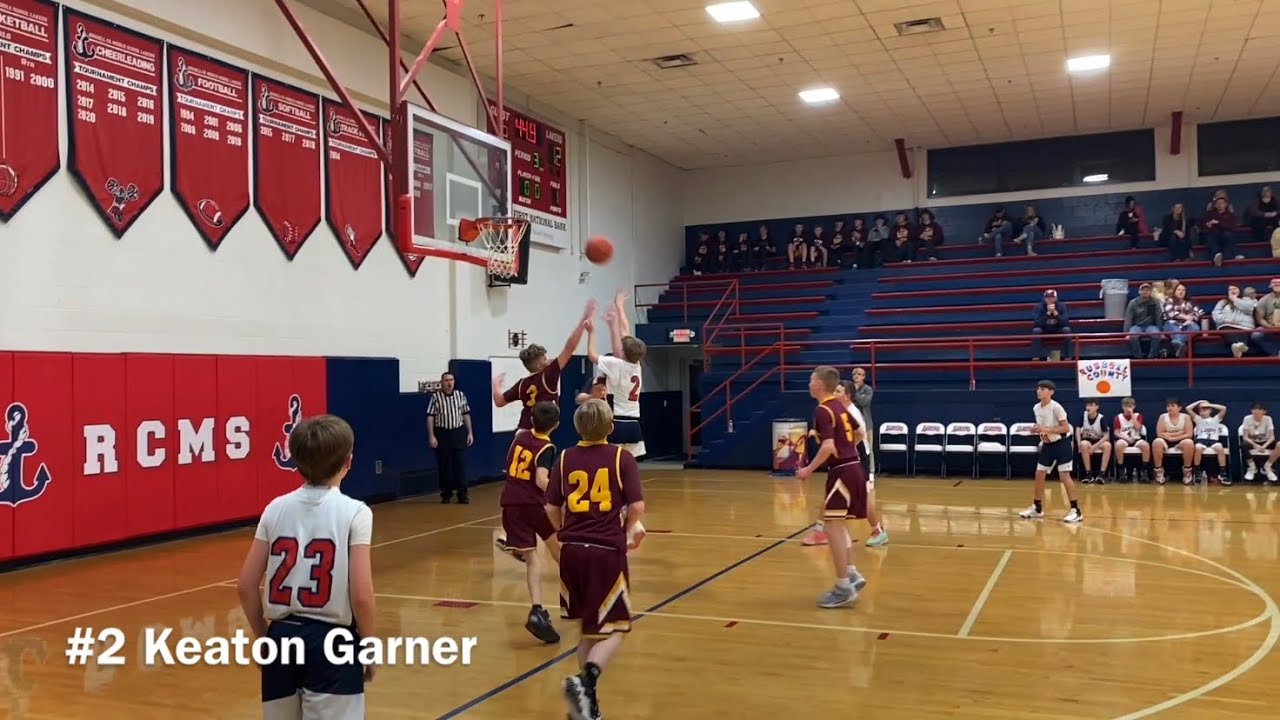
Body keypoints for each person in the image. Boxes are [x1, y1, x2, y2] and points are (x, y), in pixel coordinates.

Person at [236, 415, 375, 720]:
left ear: (296, 462)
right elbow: (362, 595)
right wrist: (369, 648)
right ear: (348, 462)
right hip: (332, 642)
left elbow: (246, 585)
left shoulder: (275, 508)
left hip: (281, 638)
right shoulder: (356, 513)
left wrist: (264, 639)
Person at [545, 399, 646, 720]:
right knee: (619, 626)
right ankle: (586, 680)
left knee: (588, 630)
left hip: (571, 551)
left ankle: (585, 708)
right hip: (605, 552)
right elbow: (638, 507)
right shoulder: (622, 457)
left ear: (576, 427)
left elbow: (550, 509)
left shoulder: (563, 459)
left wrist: (566, 528)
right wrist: (628, 530)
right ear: (611, 428)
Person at [795, 366, 870, 608]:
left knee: (832, 527)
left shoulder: (823, 409)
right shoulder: (840, 405)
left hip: (843, 472)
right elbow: (859, 433)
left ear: (819, 384)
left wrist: (808, 469)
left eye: (810, 380)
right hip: (854, 467)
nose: (808, 384)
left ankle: (842, 587)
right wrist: (847, 449)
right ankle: (850, 573)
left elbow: (827, 447)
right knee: (837, 524)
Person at [494, 402, 564, 643]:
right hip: (534, 505)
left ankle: (537, 609)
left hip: (511, 505)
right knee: (558, 551)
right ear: (556, 425)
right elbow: (541, 479)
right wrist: (560, 494)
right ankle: (573, 599)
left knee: (533, 559)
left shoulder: (519, 437)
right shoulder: (547, 447)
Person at [802, 378, 887, 548]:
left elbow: (861, 433)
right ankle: (820, 531)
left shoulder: (851, 411)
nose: (834, 394)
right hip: (846, 458)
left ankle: (877, 530)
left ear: (847, 396)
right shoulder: (837, 409)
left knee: (863, 498)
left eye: (838, 391)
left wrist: (848, 449)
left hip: (858, 456)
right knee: (830, 494)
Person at [493, 299, 596, 431]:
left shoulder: (522, 384)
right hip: (535, 433)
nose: (548, 361)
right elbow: (569, 347)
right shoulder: (548, 376)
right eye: (544, 359)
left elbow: (499, 401)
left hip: (521, 431)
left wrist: (495, 384)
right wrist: (584, 319)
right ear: (539, 366)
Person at [1017, 380, 1083, 522]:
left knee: (1064, 476)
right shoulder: (1036, 408)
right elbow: (1042, 425)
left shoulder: (1056, 407)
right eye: (1038, 388)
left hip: (1062, 443)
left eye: (1043, 389)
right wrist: (1036, 428)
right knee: (1039, 474)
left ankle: (1076, 510)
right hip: (1048, 444)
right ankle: (1037, 507)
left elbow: (1066, 428)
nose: (1039, 391)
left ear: (1051, 392)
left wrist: (1047, 429)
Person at [427, 371, 474, 504]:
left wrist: (470, 432)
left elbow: (466, 414)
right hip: (442, 433)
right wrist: (432, 436)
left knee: (460, 465)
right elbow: (430, 417)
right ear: (442, 383)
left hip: (458, 432)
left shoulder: (460, 395)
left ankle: (462, 494)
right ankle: (446, 494)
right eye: (446, 380)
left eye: (451, 380)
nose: (449, 383)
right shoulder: (436, 397)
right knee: (444, 466)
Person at [1151, 397, 1195, 484]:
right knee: (1157, 442)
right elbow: (1160, 433)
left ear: (1179, 408)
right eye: (1168, 406)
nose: (1169, 408)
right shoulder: (1163, 417)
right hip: (1166, 441)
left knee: (1189, 443)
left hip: (1181, 441)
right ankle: (1158, 471)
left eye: (1172, 406)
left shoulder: (1186, 417)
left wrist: (1171, 436)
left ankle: (1187, 471)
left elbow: (1189, 434)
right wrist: (1179, 433)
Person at [1187, 400, 1230, 485]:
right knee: (1198, 448)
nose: (1202, 412)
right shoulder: (1198, 419)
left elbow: (1223, 408)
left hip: (1213, 440)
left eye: (1205, 410)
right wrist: (1200, 402)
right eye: (1200, 410)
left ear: (1210, 410)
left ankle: (1222, 472)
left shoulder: (1216, 419)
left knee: (1220, 448)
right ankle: (1197, 471)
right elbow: (1188, 408)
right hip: (1201, 439)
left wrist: (1210, 404)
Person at [1112, 397, 1151, 482]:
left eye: (1130, 406)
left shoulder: (1138, 416)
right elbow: (1116, 433)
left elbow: (1138, 427)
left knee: (1145, 445)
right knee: (1118, 445)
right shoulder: (1118, 417)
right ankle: (1121, 470)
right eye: (1125, 406)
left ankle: (1144, 470)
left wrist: (1132, 415)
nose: (1127, 408)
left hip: (1136, 438)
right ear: (1122, 407)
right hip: (1124, 438)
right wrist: (1125, 438)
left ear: (1134, 407)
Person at [1241, 402, 1279, 482]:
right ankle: (1252, 467)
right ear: (1252, 411)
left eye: (1259, 411)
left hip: (1266, 442)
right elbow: (1245, 437)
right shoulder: (1247, 419)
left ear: (1264, 412)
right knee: (1244, 445)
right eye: (1255, 410)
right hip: (1253, 442)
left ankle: (1267, 467)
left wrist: (1264, 446)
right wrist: (1256, 445)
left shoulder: (1268, 419)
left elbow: (1272, 437)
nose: (1257, 413)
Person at [1077, 399, 1111, 484]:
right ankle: (1088, 474)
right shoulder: (1083, 416)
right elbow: (1077, 430)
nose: (1088, 407)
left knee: (1108, 445)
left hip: (1099, 441)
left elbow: (1106, 436)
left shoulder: (1101, 418)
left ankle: (1102, 474)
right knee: (1083, 444)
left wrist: (1094, 446)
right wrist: (1078, 445)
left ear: (1097, 407)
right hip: (1087, 440)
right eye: (1087, 405)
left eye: (1091, 405)